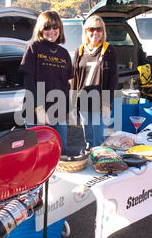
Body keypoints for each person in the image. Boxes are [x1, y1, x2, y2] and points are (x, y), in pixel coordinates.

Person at [19, 10, 73, 154]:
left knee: (60, 152)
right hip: (36, 113)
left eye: (55, 27)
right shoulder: (33, 48)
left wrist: (67, 110)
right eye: (47, 27)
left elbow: (65, 85)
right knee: (38, 154)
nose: (52, 31)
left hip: (58, 112)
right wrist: (40, 111)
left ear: (60, 29)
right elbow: (29, 83)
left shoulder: (64, 53)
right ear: (40, 29)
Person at [72, 15, 118, 149]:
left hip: (100, 101)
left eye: (99, 29)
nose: (95, 33)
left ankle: (101, 164)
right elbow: (74, 78)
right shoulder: (80, 50)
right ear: (86, 31)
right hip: (84, 100)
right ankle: (91, 162)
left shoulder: (108, 49)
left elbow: (113, 79)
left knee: (99, 139)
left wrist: (106, 103)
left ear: (103, 31)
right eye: (91, 29)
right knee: (89, 138)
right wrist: (73, 103)